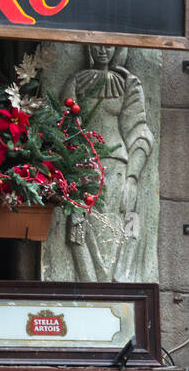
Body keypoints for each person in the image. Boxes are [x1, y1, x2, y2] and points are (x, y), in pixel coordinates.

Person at [65, 45, 155, 282]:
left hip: (117, 164)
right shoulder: (77, 81)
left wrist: (133, 176)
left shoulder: (127, 82)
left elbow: (138, 129)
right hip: (83, 163)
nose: (103, 50)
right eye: (97, 45)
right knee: (80, 224)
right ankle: (88, 283)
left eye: (109, 45)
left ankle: (117, 281)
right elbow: (66, 123)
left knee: (115, 224)